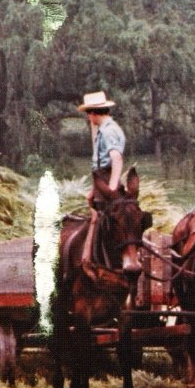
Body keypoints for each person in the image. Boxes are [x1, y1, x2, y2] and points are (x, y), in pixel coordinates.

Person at [77, 90, 126, 265]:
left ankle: (102, 260)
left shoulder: (108, 131)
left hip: (107, 179)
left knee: (106, 222)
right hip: (101, 179)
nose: (88, 117)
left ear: (93, 113)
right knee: (98, 215)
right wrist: (94, 190)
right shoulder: (104, 129)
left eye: (88, 114)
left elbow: (116, 159)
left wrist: (111, 188)